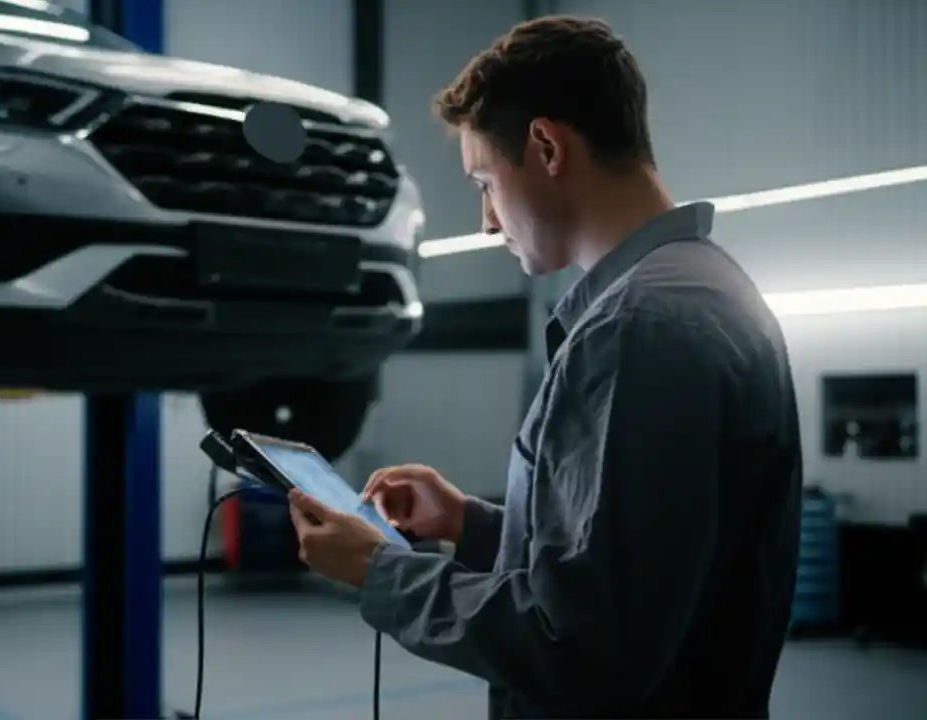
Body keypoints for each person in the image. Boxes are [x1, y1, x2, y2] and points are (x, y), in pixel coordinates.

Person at [286, 15, 803, 719]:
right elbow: (646, 562)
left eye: (485, 182)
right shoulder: (702, 290)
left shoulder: (639, 327)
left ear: (547, 148)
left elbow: (581, 649)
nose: (486, 220)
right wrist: (469, 524)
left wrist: (380, 571)